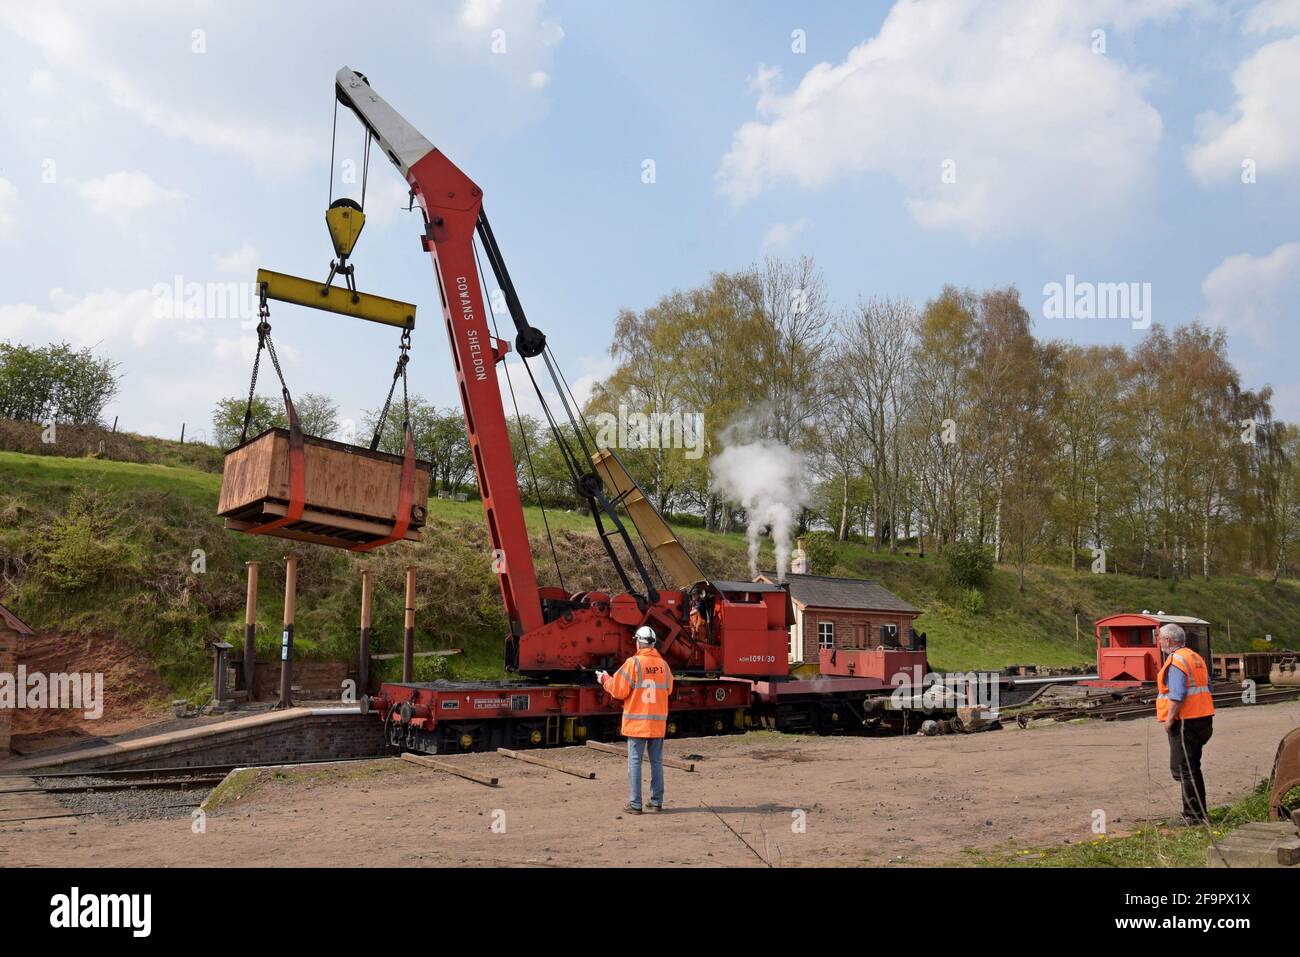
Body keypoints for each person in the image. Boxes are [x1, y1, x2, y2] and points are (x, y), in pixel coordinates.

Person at [597, 625, 674, 814]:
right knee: (656, 762)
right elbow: (668, 689)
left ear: (639, 642)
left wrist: (604, 679)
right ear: (654, 643)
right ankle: (656, 801)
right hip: (657, 723)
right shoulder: (664, 665)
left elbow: (618, 690)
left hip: (637, 724)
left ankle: (635, 804)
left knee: (635, 762)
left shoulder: (634, 663)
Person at [1155, 622, 1215, 825]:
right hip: (1203, 718)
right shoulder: (1195, 657)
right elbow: (1208, 686)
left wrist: (1170, 719)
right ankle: (1198, 812)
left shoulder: (1176, 661)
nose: (1159, 642)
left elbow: (1178, 695)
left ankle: (1194, 816)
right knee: (1191, 768)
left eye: (1160, 639)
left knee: (1186, 770)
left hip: (1185, 722)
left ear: (1168, 640)